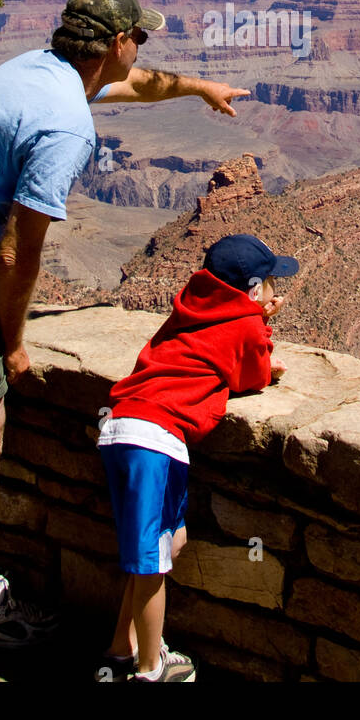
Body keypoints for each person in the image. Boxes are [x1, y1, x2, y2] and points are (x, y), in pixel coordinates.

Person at [0, 0, 250, 656]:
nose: (144, 47)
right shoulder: (65, 126)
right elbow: (19, 254)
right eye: (141, 37)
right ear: (115, 43)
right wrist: (12, 344)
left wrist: (196, 86)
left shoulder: (35, 69)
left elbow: (132, 87)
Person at [96, 233, 298, 683]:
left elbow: (210, 345)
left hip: (123, 425)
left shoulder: (192, 303)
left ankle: (120, 646)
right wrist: (262, 326)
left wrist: (254, 315)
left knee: (171, 541)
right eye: (267, 282)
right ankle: (150, 668)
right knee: (151, 560)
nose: (272, 289)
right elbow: (252, 376)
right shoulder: (247, 323)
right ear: (250, 289)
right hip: (154, 438)